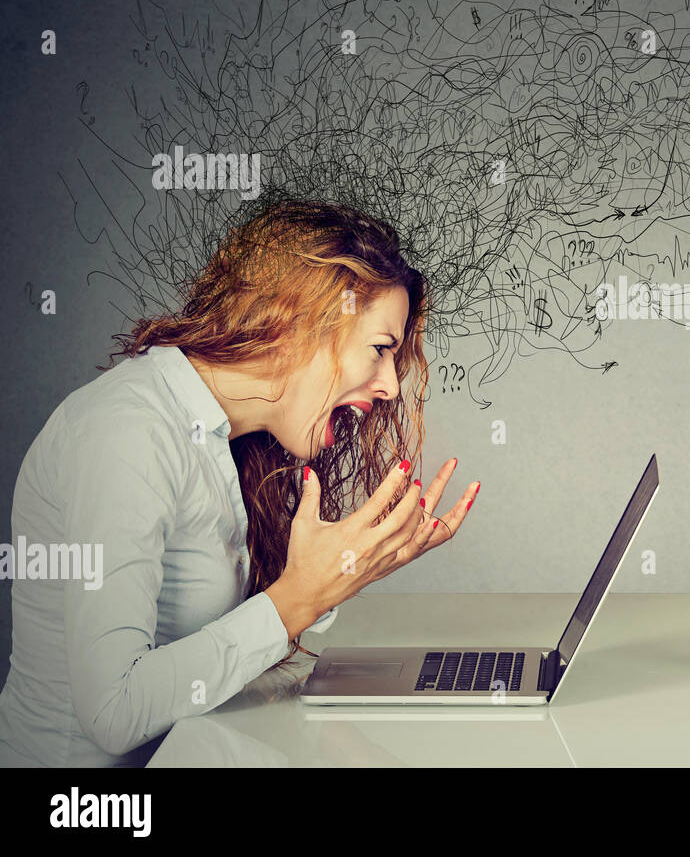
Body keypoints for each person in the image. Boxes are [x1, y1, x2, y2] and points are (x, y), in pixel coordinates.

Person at [0, 199, 480, 766]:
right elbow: (113, 711)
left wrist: (346, 570)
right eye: (380, 349)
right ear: (296, 317)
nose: (389, 387)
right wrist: (299, 598)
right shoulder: (127, 429)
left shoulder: (225, 441)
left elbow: (208, 648)